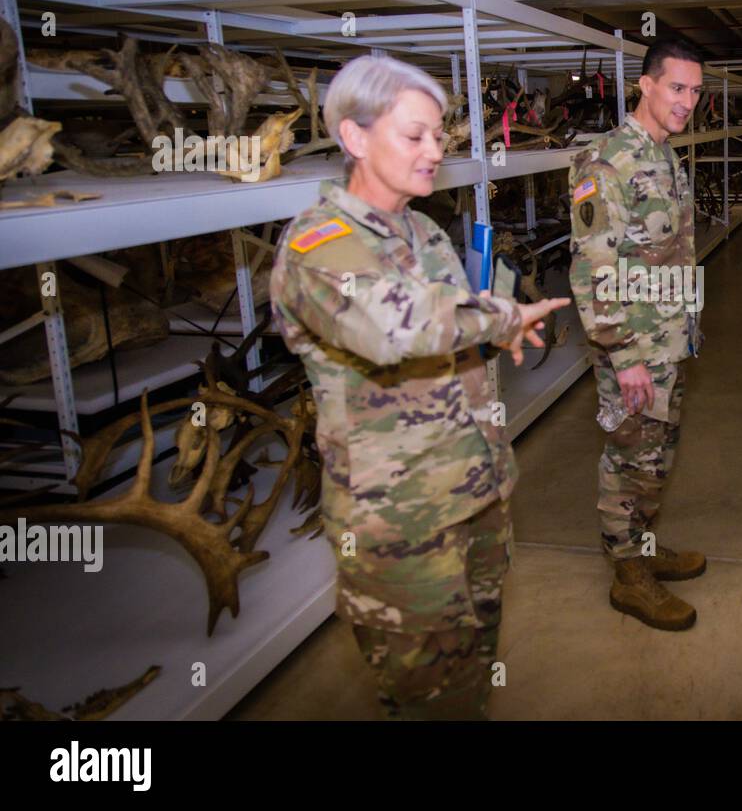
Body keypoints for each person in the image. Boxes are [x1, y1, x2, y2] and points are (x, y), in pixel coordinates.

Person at [270, 55, 568, 719]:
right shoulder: (318, 245)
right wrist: (501, 315)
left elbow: (445, 327)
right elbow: (393, 329)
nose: (436, 150)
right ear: (353, 136)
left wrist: (488, 336)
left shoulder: (424, 228)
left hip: (475, 492)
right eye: (415, 135)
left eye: (440, 134)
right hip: (401, 524)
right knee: (428, 697)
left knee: (469, 680)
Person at [567, 36, 708, 631]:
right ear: (645, 85)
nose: (688, 102)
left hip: (669, 343)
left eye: (696, 92)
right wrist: (622, 355)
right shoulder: (605, 163)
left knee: (656, 455)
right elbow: (592, 270)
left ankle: (643, 547)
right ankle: (628, 576)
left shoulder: (665, 156)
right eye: (677, 88)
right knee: (628, 456)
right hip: (633, 350)